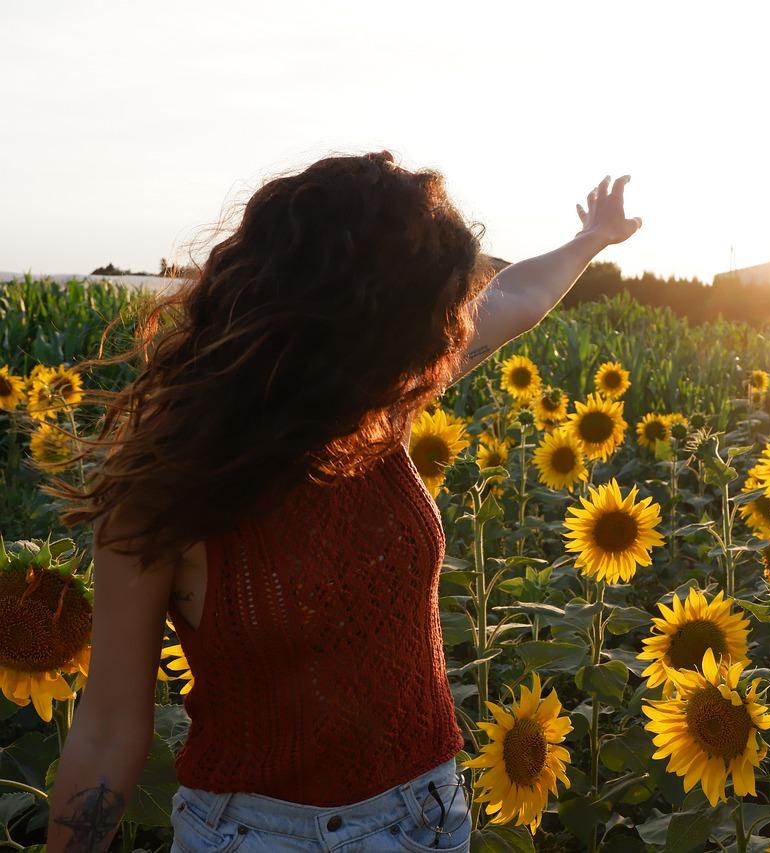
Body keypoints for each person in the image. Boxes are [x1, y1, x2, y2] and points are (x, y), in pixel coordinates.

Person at [44, 151, 642, 852]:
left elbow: (516, 299)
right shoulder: (162, 493)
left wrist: (593, 237)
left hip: (422, 821)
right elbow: (109, 726)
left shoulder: (378, 405)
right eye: (428, 316)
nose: (446, 342)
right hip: (252, 835)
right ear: (355, 321)